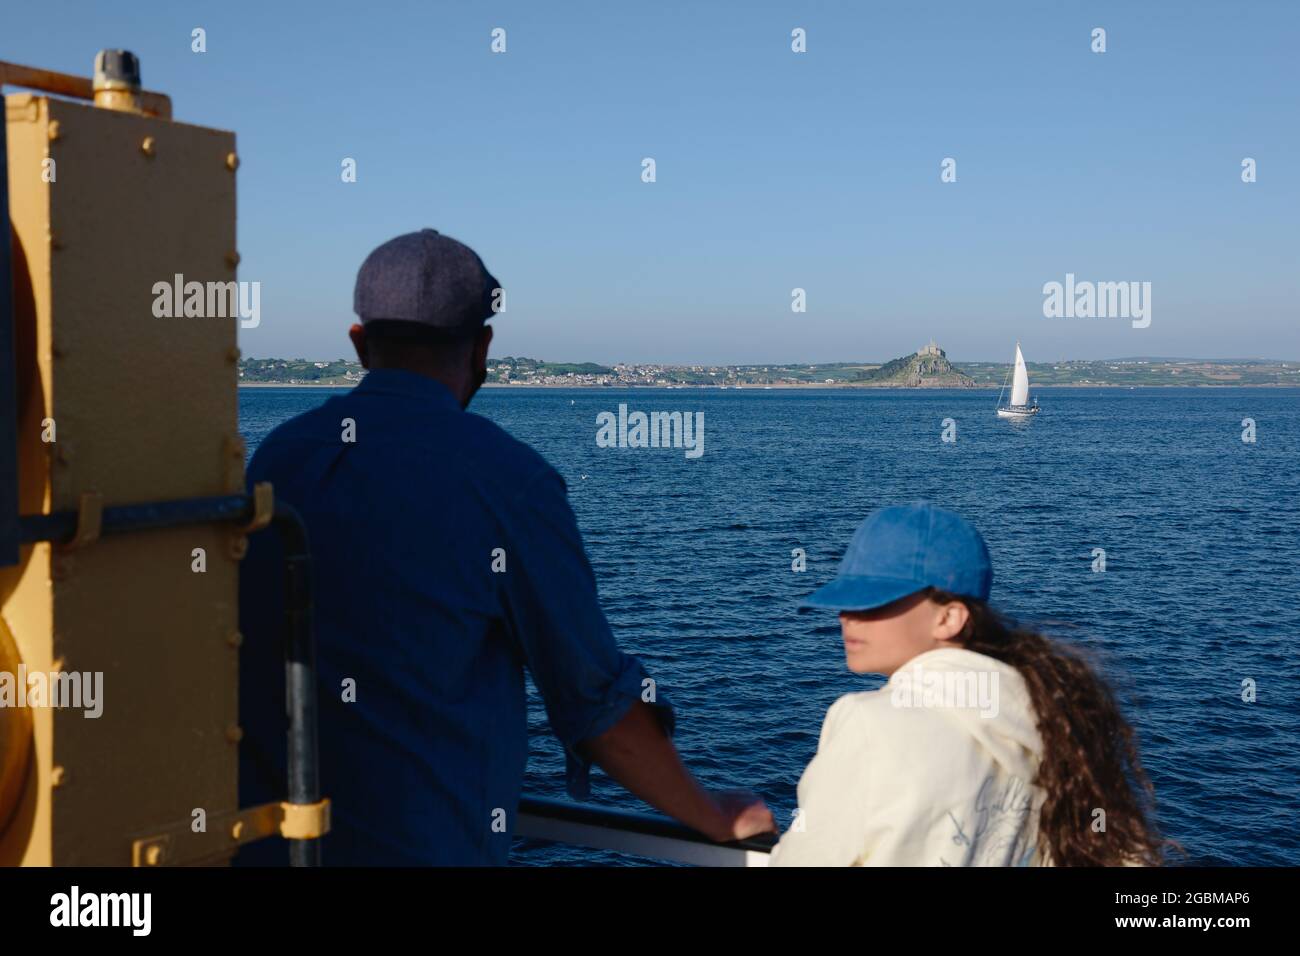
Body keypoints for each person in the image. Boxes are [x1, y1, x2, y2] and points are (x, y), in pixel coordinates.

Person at [236, 228, 773, 865]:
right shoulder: (509, 482)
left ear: (358, 343)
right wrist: (712, 813)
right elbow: (595, 704)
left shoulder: (278, 458)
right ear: (483, 344)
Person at [769, 502, 1170, 866]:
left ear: (950, 617)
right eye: (847, 599)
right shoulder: (1048, 718)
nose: (848, 617)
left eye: (874, 601)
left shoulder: (866, 723)